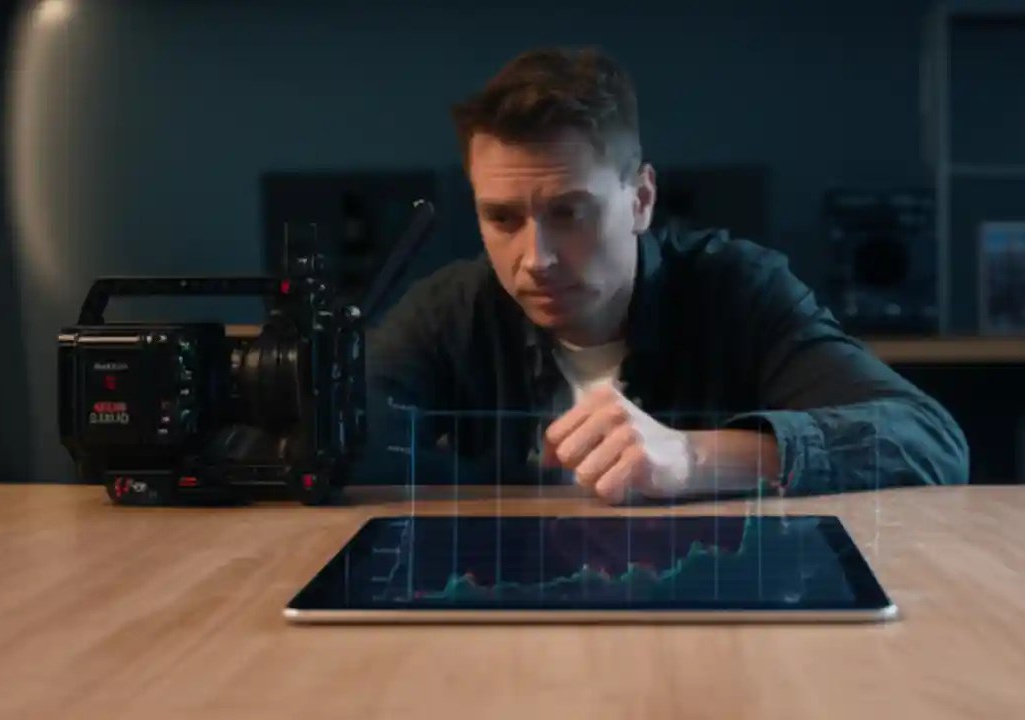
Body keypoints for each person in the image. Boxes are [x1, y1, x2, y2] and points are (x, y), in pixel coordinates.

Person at [360, 46, 968, 504]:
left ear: (642, 199)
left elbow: (930, 441)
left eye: (569, 213)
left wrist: (694, 457)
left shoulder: (738, 289)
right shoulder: (450, 310)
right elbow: (341, 441)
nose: (535, 258)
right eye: (501, 218)